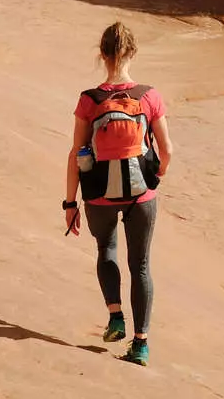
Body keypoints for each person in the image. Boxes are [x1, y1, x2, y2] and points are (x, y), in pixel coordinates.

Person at [63, 22, 172, 367]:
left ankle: (115, 318)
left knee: (106, 248)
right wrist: (156, 175)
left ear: (102, 54)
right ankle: (140, 344)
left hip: (98, 194)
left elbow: (75, 152)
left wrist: (70, 203)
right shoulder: (149, 96)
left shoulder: (90, 100)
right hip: (141, 195)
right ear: (132, 52)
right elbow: (167, 149)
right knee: (140, 265)